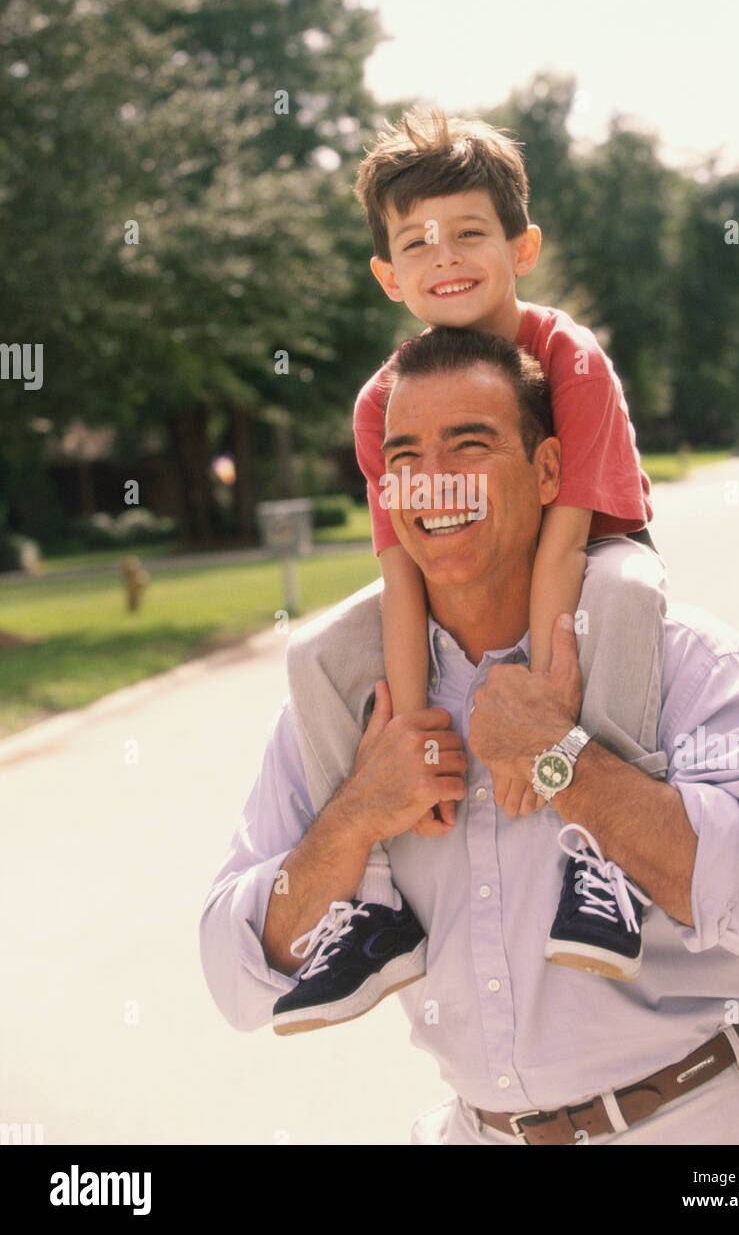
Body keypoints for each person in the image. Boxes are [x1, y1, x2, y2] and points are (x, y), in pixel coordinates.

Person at [199, 329, 739, 1146]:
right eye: (407, 454)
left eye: (471, 444)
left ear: (550, 470)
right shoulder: (351, 712)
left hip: (696, 1124)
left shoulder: (685, 663)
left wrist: (565, 758)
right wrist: (352, 819)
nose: (434, 479)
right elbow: (236, 977)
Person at [277, 108, 669, 1025]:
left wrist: (537, 710)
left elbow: (566, 540)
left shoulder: (568, 358)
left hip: (586, 552)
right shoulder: (384, 401)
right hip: (461, 565)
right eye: (414, 241)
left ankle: (601, 861)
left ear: (520, 246)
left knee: (623, 592)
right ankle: (373, 908)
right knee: (316, 652)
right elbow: (404, 575)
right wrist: (411, 740)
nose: (442, 256)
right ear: (387, 276)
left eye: (467, 233)